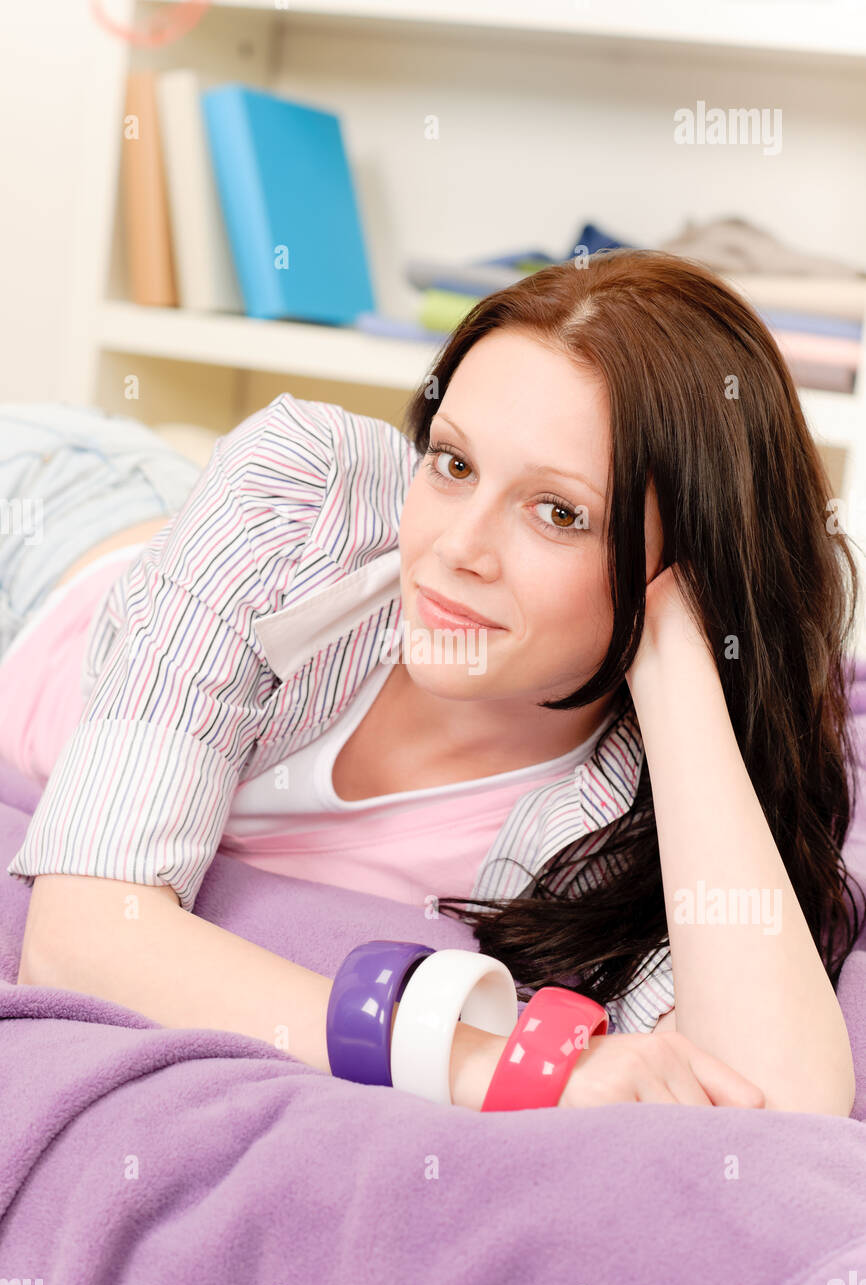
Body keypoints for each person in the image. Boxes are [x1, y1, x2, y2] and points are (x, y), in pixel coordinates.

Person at [6, 249, 861, 1114]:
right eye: (453, 464)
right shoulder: (298, 490)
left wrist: (680, 663)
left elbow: (784, 1110)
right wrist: (476, 1062)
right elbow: (79, 940)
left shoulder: (613, 824)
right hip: (47, 524)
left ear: (682, 569)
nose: (458, 550)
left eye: (558, 513)